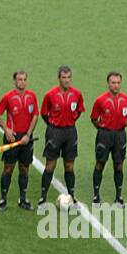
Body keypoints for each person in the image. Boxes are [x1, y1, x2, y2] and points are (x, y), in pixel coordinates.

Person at [37, 65, 84, 206]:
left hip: (70, 132)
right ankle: (43, 197)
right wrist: (53, 125)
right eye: (64, 77)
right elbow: (44, 113)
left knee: (69, 166)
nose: (66, 80)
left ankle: (72, 196)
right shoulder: (50, 95)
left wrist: (69, 122)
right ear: (59, 78)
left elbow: (79, 111)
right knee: (50, 165)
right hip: (54, 132)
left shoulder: (77, 94)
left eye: (69, 77)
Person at [0, 69, 39, 211]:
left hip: (27, 138)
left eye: (24, 79)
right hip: (12, 138)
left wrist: (28, 134)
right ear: (14, 81)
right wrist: (6, 130)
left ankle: (23, 199)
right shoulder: (8, 97)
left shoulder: (32, 96)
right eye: (19, 79)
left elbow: (35, 115)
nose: (22, 82)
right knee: (8, 168)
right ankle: (3, 199)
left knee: (24, 169)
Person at [89, 71, 127, 205]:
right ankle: (96, 196)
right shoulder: (100, 100)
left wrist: (121, 126)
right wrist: (102, 128)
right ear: (108, 84)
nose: (116, 85)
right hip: (104, 135)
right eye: (113, 83)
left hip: (120, 135)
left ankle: (118, 197)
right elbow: (94, 118)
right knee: (100, 163)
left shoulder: (126, 100)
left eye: (118, 83)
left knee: (119, 165)